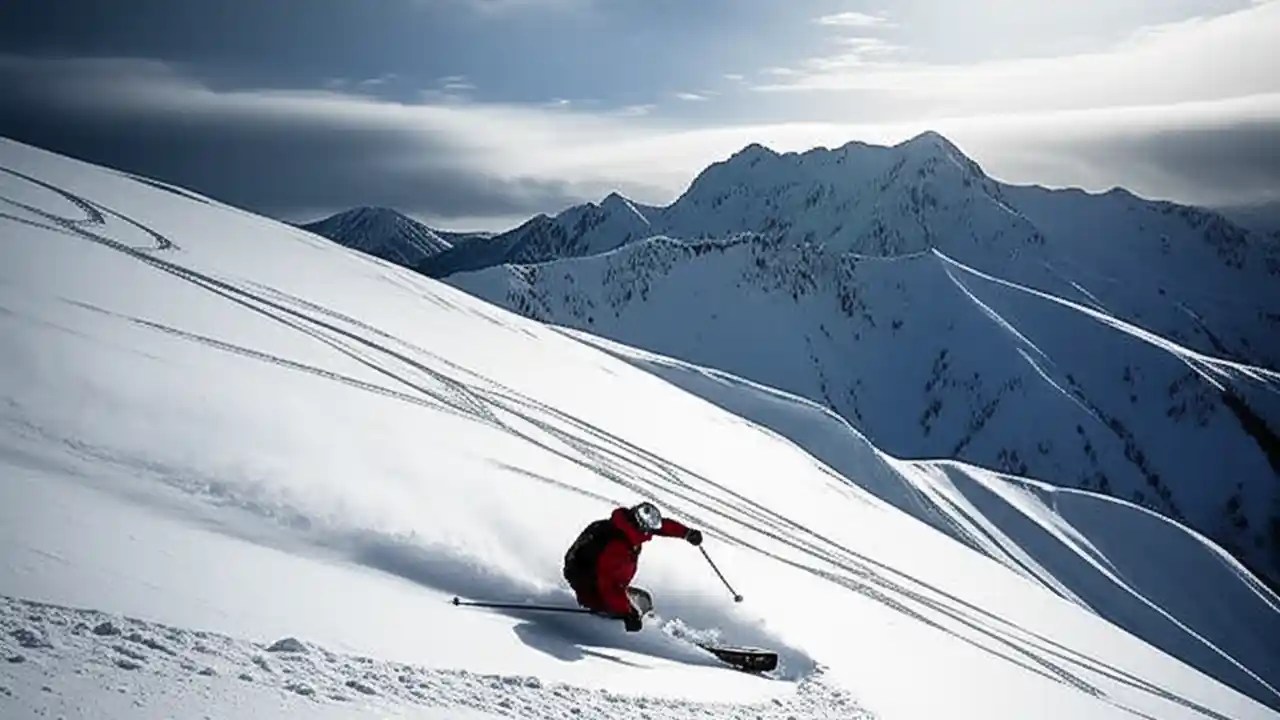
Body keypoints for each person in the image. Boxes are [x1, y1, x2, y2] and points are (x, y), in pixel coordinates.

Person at [562, 502, 703, 632]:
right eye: (648, 531)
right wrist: (626, 613)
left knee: (642, 601)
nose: (650, 534)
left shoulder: (628, 527)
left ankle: (655, 629)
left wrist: (686, 533)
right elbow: (608, 585)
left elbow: (661, 527)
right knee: (621, 613)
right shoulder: (617, 546)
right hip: (590, 586)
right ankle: (608, 631)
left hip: (599, 577)